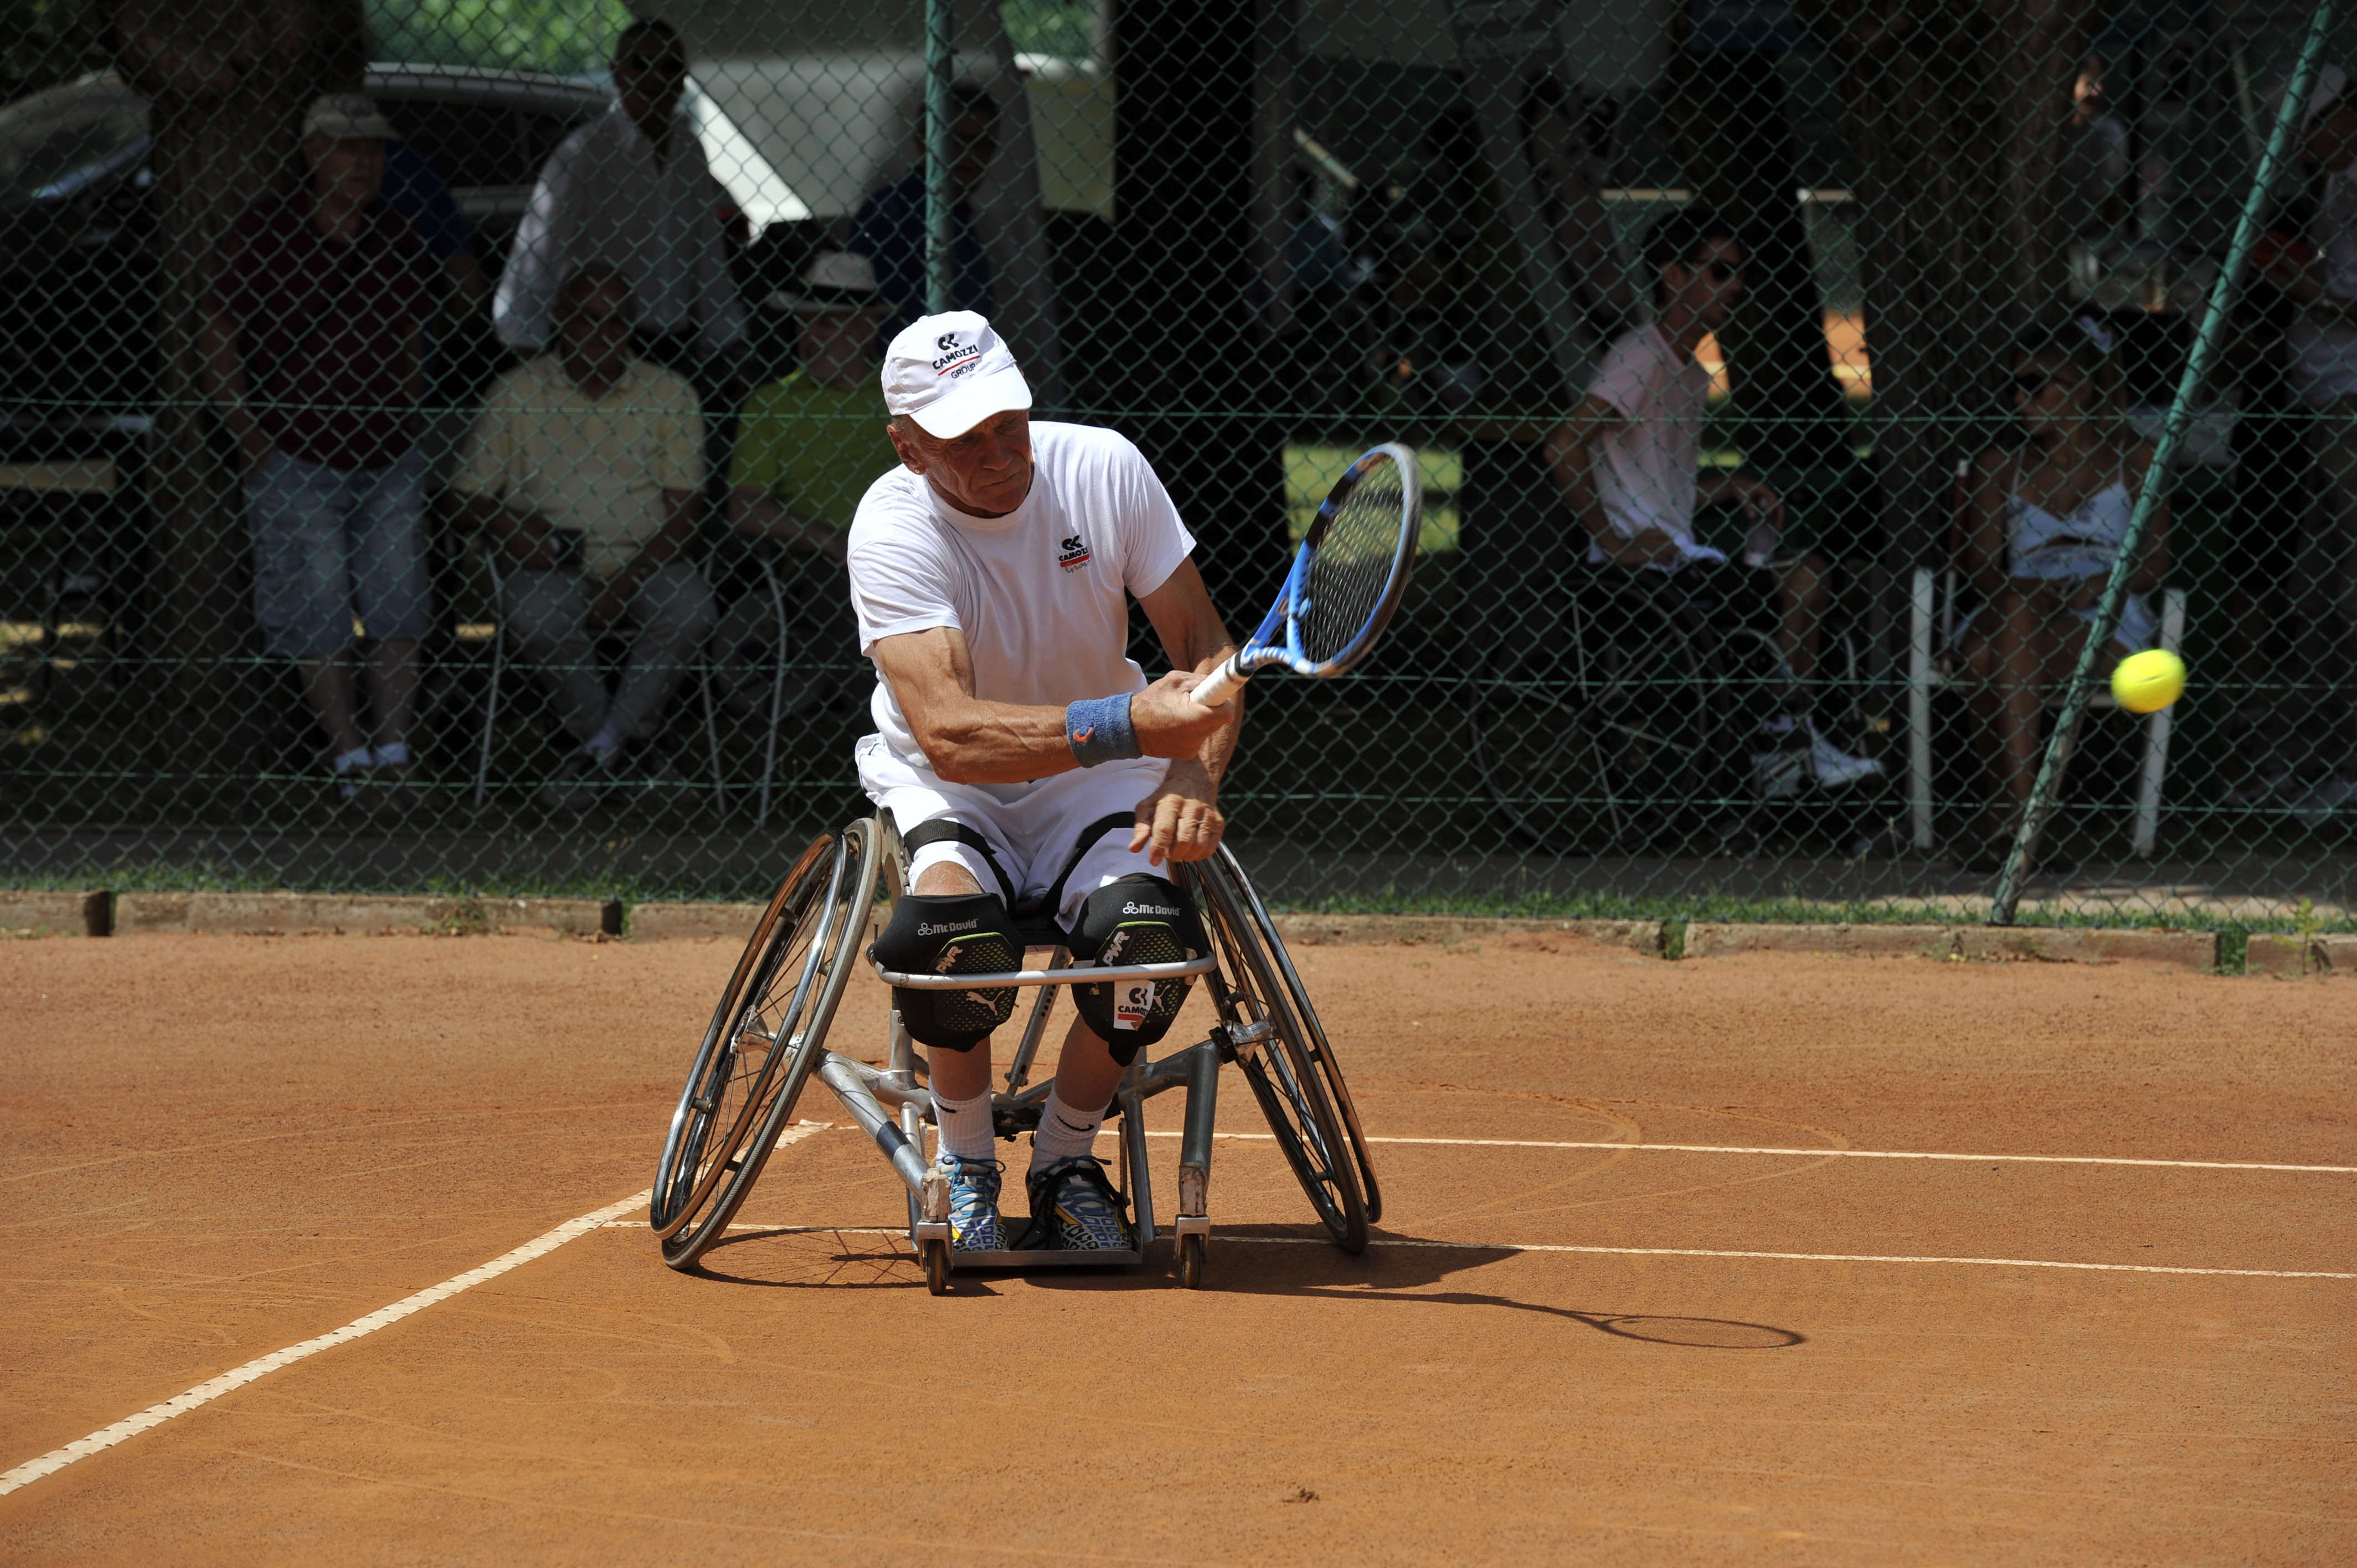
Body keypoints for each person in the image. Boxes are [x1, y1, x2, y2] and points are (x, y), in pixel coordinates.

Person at [851, 311, 1238, 1253]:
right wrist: (1130, 723)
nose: (998, 453)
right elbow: (951, 736)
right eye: (963, 439)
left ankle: (1066, 1157)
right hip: (953, 786)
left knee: (1147, 941)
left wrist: (1191, 773)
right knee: (946, 935)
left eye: (1007, 423)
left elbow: (1205, 649)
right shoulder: (892, 527)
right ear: (909, 449)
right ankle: (968, 1161)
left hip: (1096, 782)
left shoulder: (1104, 467)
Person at [1540, 207, 1880, 798]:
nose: (1736, 286)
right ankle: (1781, 740)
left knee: (1807, 576)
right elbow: (1563, 446)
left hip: (1679, 558)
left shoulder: (1692, 373)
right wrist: (1613, 542)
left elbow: (1657, 485)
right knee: (1798, 581)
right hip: (1636, 576)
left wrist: (1726, 486)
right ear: (1672, 275)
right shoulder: (1640, 355)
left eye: (1739, 273)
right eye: (1719, 271)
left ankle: (1786, 735)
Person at [202, 94, 434, 807]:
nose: (363, 162)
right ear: (312, 153)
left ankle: (394, 751)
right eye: (346, 148)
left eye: (374, 149)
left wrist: (412, 410)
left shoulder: (396, 233)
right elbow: (218, 330)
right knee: (318, 605)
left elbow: (413, 332)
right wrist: (247, 433)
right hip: (296, 455)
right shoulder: (266, 231)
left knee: (399, 603)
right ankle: (347, 756)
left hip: (388, 454)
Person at [451, 266, 717, 809]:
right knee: (536, 615)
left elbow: (685, 515)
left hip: (649, 561)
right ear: (560, 321)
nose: (602, 334)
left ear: (633, 328)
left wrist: (628, 578)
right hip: (547, 563)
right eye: (587, 319)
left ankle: (596, 753)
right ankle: (627, 749)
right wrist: (507, 522)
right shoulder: (517, 390)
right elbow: (461, 499)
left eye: (617, 322)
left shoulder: (668, 391)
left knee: (690, 608)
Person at [1958, 327, 2170, 873]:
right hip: (2016, 602)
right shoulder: (1998, 464)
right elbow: (1980, 567)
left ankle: (2010, 820)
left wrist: (2100, 583)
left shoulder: (2135, 459)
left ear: (2079, 388)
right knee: (2009, 620)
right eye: (2012, 386)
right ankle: (2027, 820)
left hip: (2102, 612)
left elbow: (2155, 564)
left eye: (2032, 384)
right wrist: (2026, 590)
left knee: (1983, 660)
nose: (2017, 399)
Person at [493, 18, 747, 387]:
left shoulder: (689, 150)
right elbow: (541, 250)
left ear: (683, 78)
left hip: (674, 340)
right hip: (600, 337)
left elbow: (708, 251)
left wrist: (727, 337)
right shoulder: (585, 151)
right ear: (617, 72)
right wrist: (526, 343)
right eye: (641, 63)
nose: (656, 77)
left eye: (670, 66)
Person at [724, 252, 897, 714]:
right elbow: (745, 508)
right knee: (847, 597)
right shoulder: (772, 403)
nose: (810, 335)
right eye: (803, 322)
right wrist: (829, 541)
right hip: (823, 566)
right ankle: (888, 725)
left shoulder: (902, 396)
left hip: (920, 546)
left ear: (865, 327)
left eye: (827, 322)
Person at [2261, 61, 2357, 822]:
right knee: (2314, 592)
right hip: (2322, 405)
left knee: (2345, 591)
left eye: (2303, 131)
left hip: (2349, 404)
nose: (2296, 149)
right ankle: (2319, 764)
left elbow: (2344, 299)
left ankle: (2345, 770)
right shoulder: (2330, 187)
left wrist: (2306, 290)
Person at [848, 83, 999, 337]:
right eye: (956, 140)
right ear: (923, 141)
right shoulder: (891, 214)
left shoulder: (962, 217)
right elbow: (870, 319)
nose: (969, 153)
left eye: (982, 144)